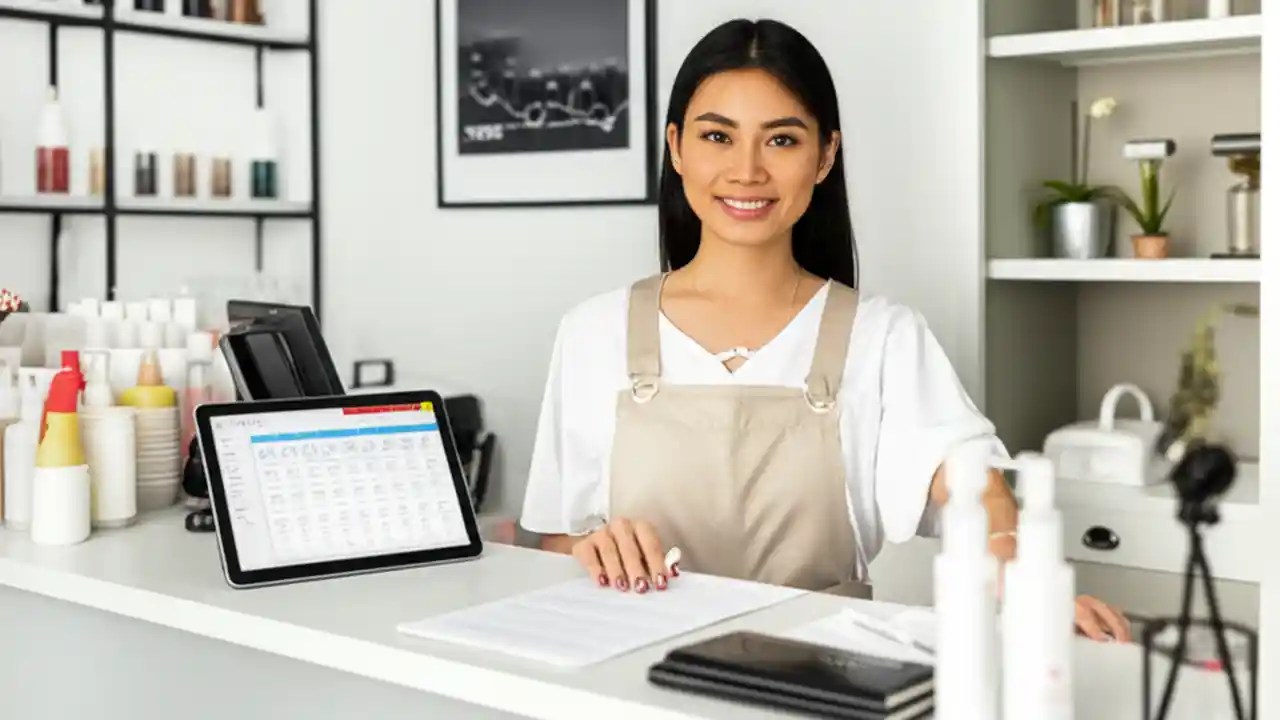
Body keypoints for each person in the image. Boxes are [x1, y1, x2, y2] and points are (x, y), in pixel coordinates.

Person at [519, 18, 1131, 642]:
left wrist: (1029, 585)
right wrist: (594, 548)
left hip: (819, 672)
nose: (747, 170)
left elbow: (974, 484)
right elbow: (553, 543)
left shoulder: (882, 337)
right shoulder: (593, 333)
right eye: (717, 137)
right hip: (629, 670)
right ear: (677, 148)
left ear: (825, 155)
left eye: (781, 140)